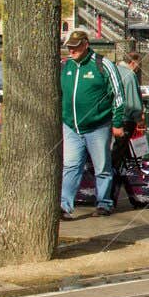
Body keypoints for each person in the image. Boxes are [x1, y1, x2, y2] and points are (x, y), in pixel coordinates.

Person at [59, 30, 126, 220]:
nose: (71, 50)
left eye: (75, 47)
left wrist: (118, 122)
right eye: (69, 47)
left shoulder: (102, 64)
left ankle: (104, 203)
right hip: (71, 126)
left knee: (102, 166)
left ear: (85, 44)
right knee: (71, 166)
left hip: (98, 126)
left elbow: (118, 94)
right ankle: (65, 206)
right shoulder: (66, 66)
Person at [110, 50, 144, 171]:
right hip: (125, 119)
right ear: (133, 63)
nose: (138, 69)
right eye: (139, 65)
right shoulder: (129, 75)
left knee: (114, 149)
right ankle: (116, 177)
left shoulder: (113, 71)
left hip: (109, 118)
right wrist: (138, 117)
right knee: (119, 150)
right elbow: (132, 100)